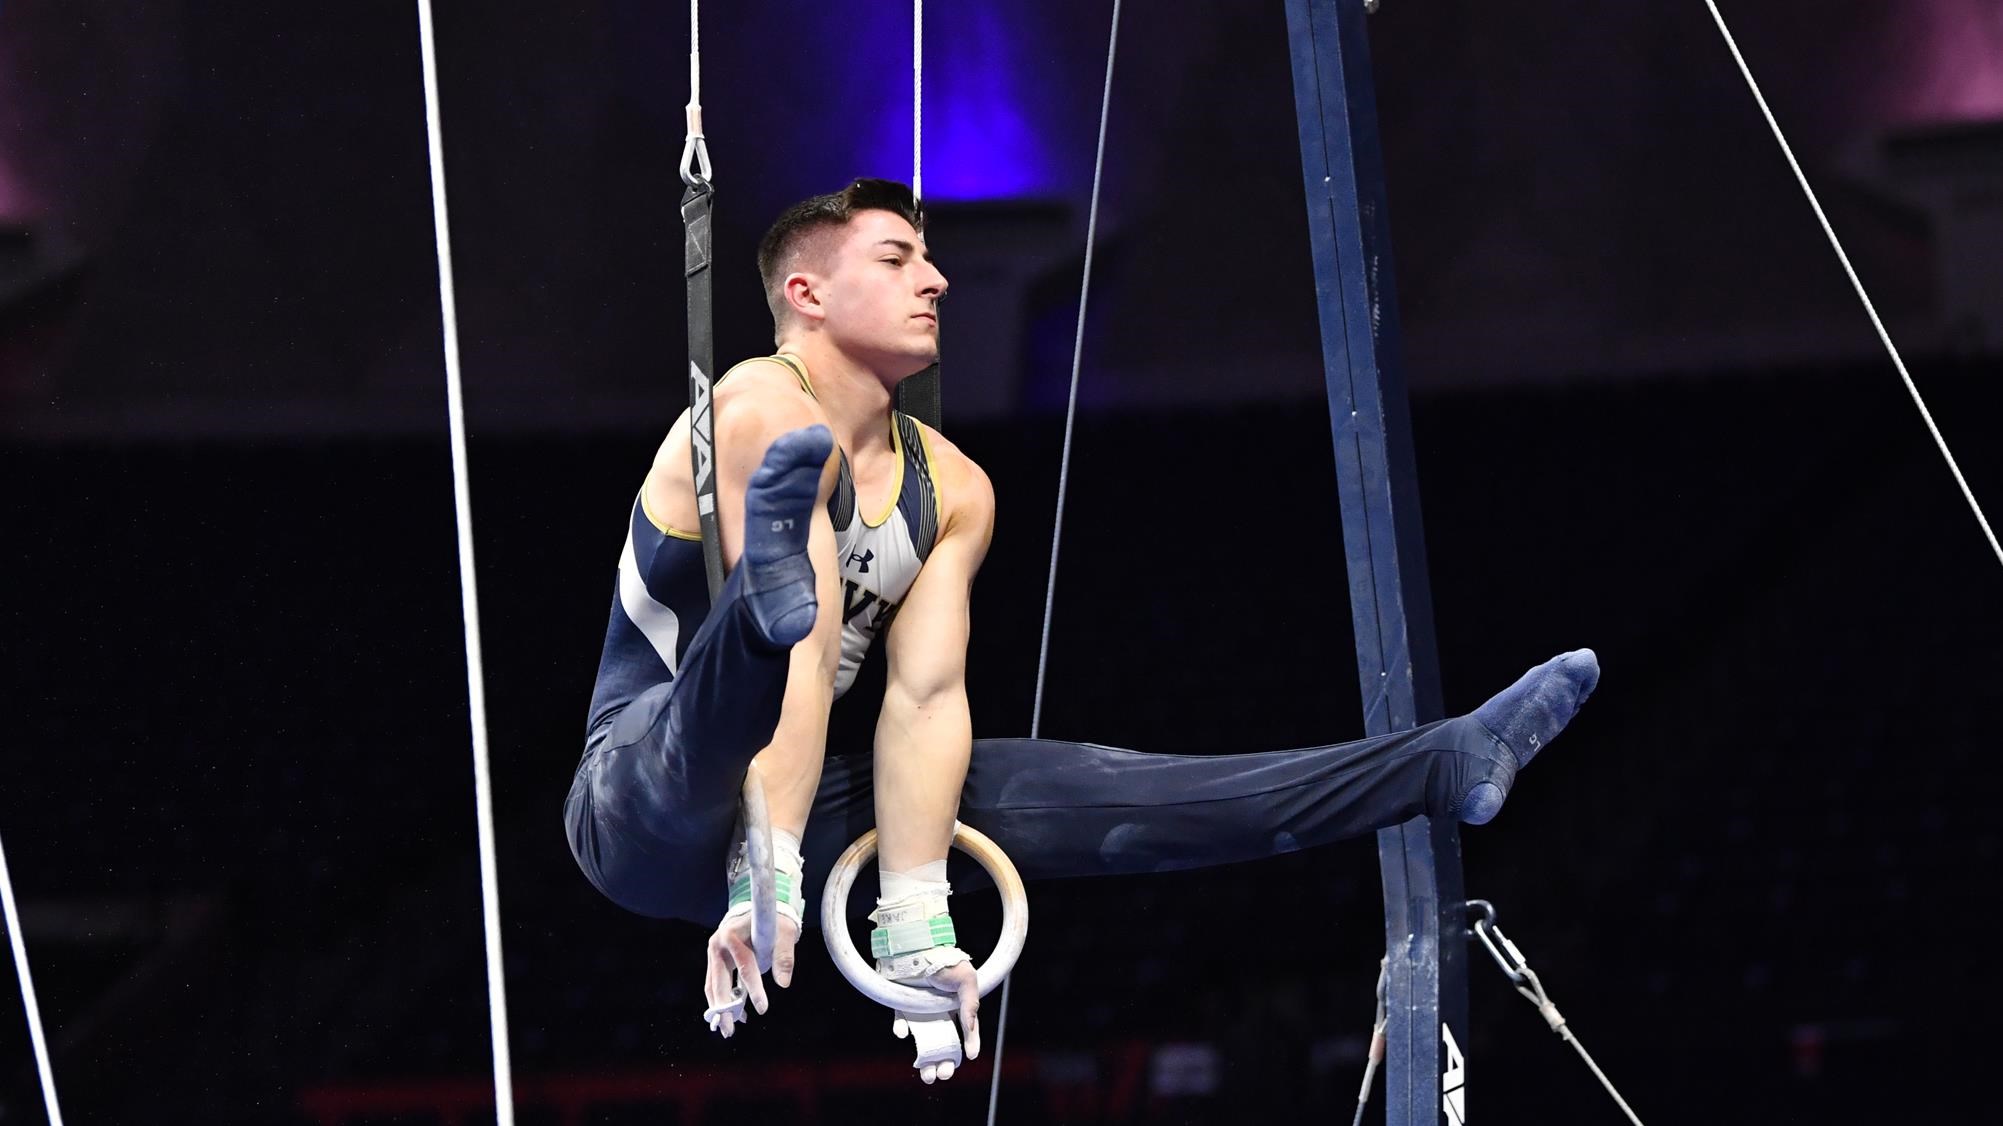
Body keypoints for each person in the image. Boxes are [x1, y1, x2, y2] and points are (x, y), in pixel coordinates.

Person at [563, 178, 1600, 1084]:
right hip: (645, 791)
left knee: (1095, 786)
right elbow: (803, 668)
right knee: (754, 657)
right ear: (807, 294)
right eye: (897, 258)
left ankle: (1440, 762)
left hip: (795, 791)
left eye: (930, 259)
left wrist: (918, 927)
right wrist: (768, 872)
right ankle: (762, 600)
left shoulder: (954, 487)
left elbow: (923, 702)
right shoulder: (750, 402)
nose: (936, 280)